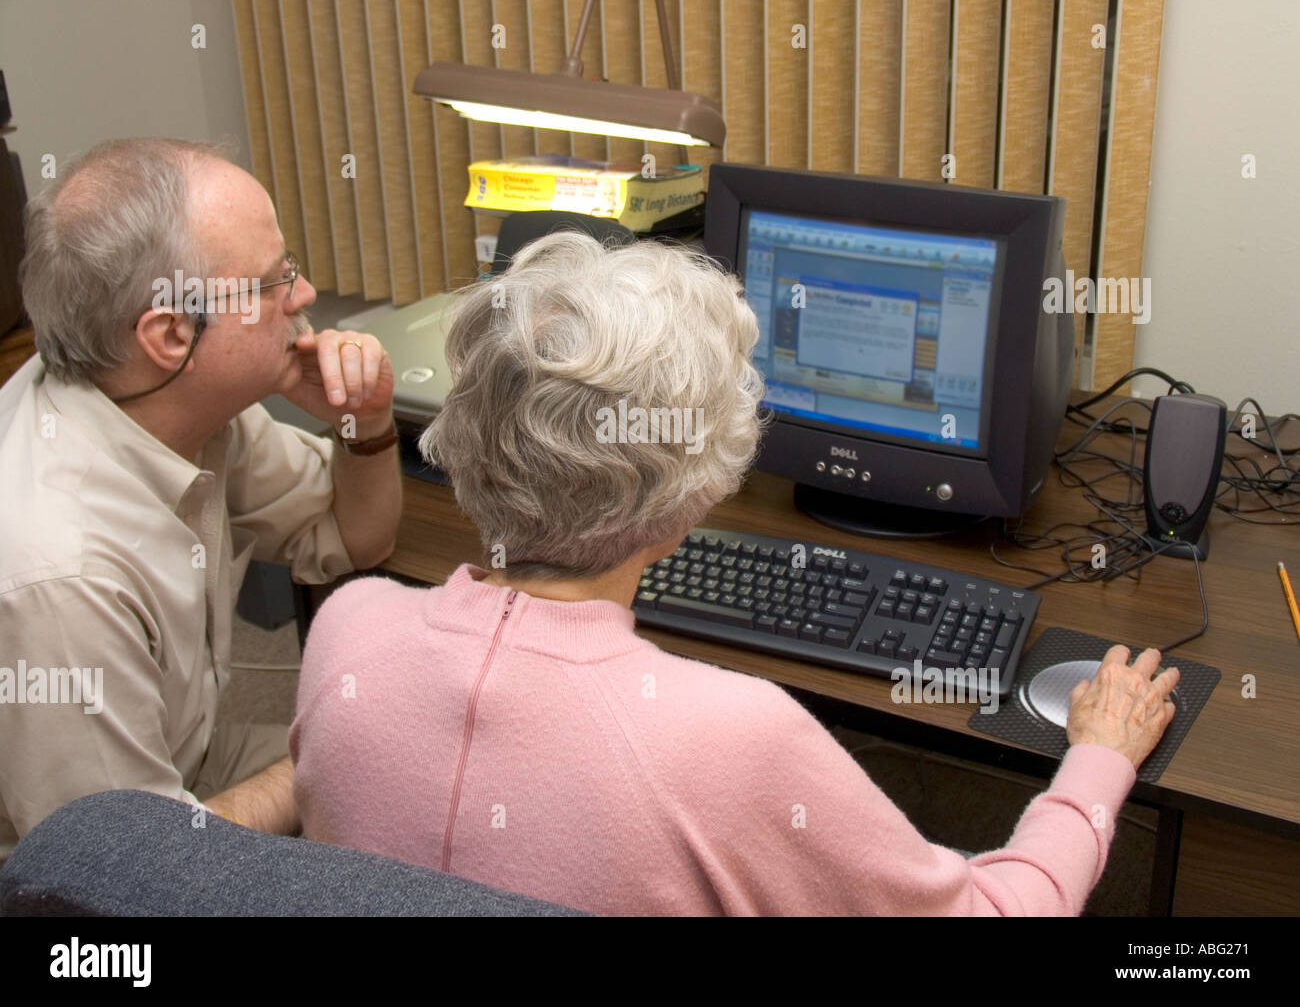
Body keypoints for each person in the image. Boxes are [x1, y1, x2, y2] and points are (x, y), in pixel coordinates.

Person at [289, 231, 1177, 916]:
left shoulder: (348, 628)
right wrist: (1095, 762)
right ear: (695, 492)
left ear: (467, 440)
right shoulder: (734, 738)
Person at [0, 138, 402, 860]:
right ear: (171, 334)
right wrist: (330, 758)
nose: (303, 296)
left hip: (182, 765)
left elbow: (355, 536)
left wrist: (364, 423)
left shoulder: (172, 402)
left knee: (406, 770)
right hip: (92, 868)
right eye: (274, 281)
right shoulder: (60, 572)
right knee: (383, 772)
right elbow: (123, 872)